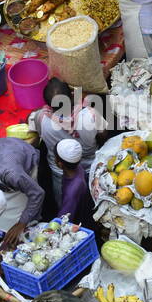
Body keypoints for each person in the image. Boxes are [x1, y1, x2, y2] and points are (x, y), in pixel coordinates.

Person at [30, 77, 102, 206]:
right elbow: (103, 136)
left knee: (65, 205)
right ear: (71, 96)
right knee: (94, 201)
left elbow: (29, 121)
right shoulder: (91, 115)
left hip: (61, 172)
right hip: (90, 168)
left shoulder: (41, 118)